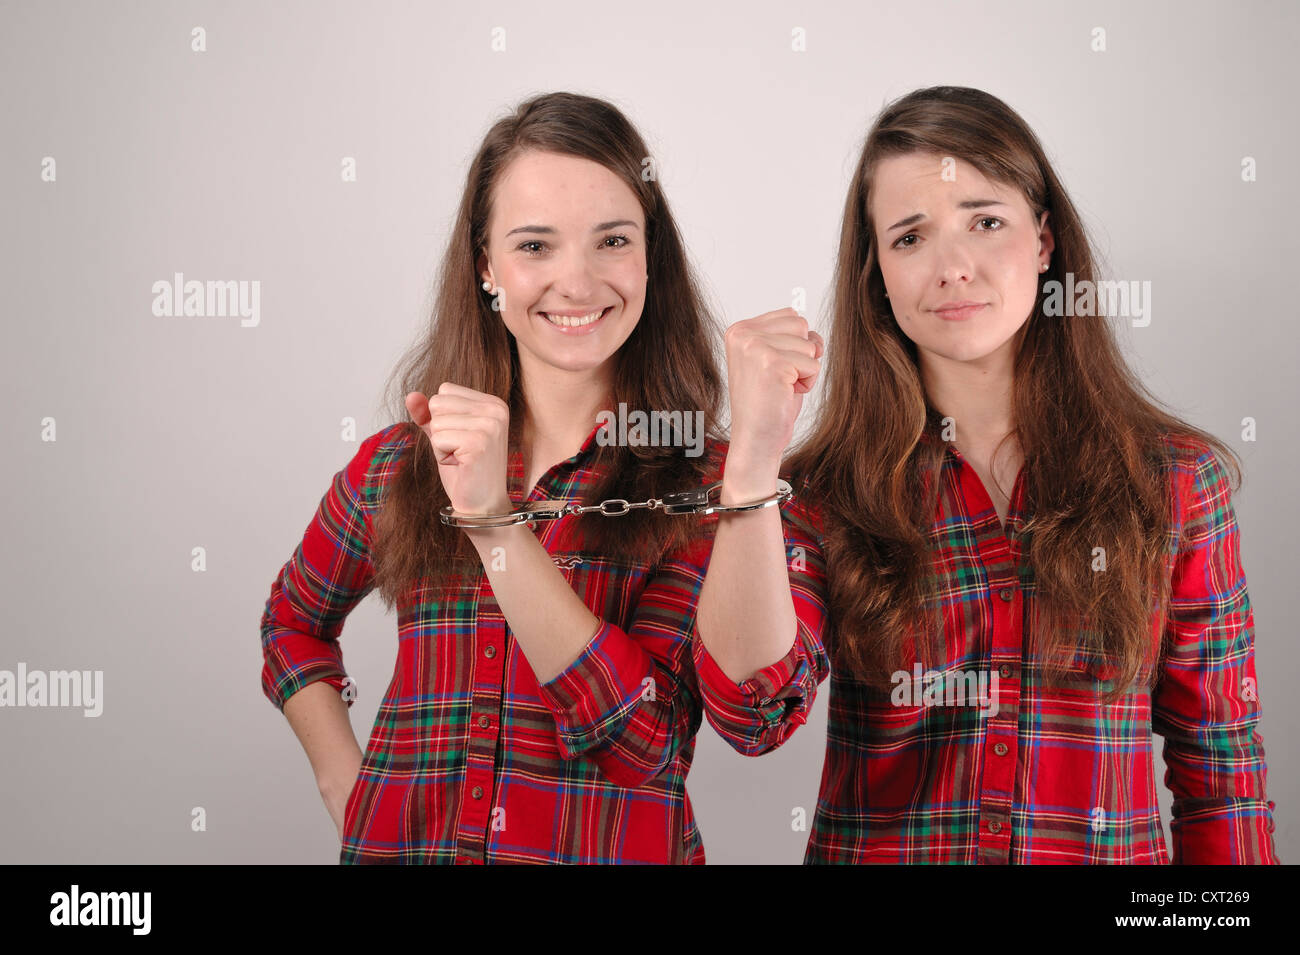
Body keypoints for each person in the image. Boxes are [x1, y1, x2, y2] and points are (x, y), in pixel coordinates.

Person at [258, 91, 826, 864]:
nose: (577, 280)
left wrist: (495, 525)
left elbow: (647, 741)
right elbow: (293, 621)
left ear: (651, 256)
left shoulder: (721, 491)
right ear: (486, 265)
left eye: (612, 240)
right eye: (535, 246)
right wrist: (346, 787)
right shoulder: (401, 461)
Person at [764, 85, 1278, 864]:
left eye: (985, 221)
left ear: (1044, 243)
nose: (953, 267)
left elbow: (1222, 773)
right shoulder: (820, 493)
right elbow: (755, 711)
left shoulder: (1176, 481)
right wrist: (749, 468)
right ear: (877, 275)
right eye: (910, 238)